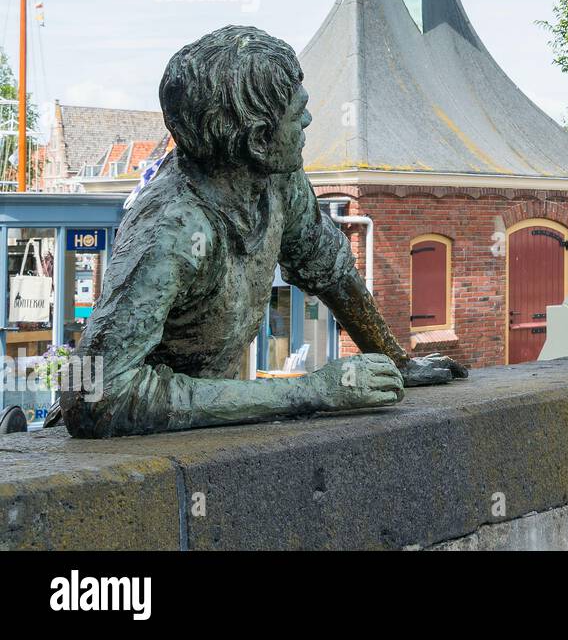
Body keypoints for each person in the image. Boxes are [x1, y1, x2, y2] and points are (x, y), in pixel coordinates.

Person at [59, 27, 466, 439]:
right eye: (297, 112)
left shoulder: (276, 180)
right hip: (136, 449)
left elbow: (329, 267)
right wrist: (309, 392)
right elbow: (90, 397)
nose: (308, 119)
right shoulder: (173, 230)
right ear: (258, 140)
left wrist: (396, 361)